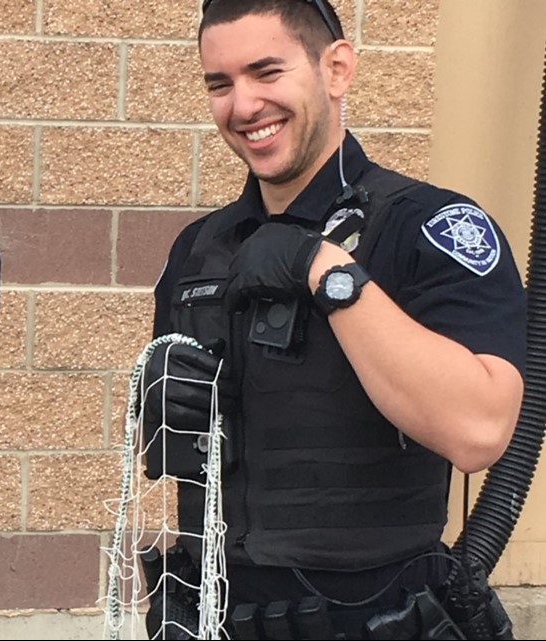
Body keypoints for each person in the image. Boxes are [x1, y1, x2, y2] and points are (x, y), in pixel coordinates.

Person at [142, 0, 526, 639]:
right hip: (221, 612)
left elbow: (481, 429)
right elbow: (179, 460)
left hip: (378, 613)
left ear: (337, 69)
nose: (243, 106)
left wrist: (329, 274)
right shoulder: (201, 249)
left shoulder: (425, 228)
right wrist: (159, 405)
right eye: (221, 83)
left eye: (267, 72)